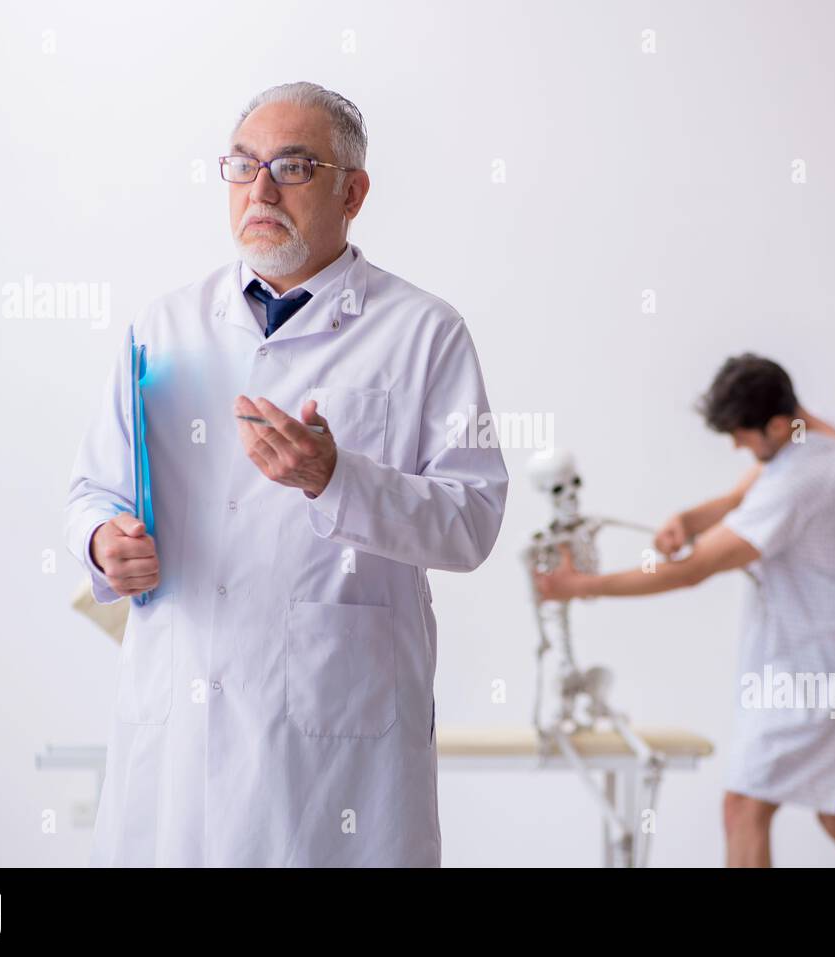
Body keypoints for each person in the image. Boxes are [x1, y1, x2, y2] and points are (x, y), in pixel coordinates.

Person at [64, 82, 508, 866]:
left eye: (294, 167)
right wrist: (102, 541)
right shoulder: (163, 326)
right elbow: (92, 489)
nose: (260, 189)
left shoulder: (424, 332)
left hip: (337, 748)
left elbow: (471, 520)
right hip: (182, 729)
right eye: (242, 166)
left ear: (354, 191)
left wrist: (339, 479)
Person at [533, 354, 835, 867]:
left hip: (815, 669)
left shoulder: (801, 483)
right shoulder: (832, 438)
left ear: (775, 423)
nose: (736, 447)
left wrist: (579, 585)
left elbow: (692, 570)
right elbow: (741, 493)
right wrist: (690, 518)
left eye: (742, 435)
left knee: (742, 808)